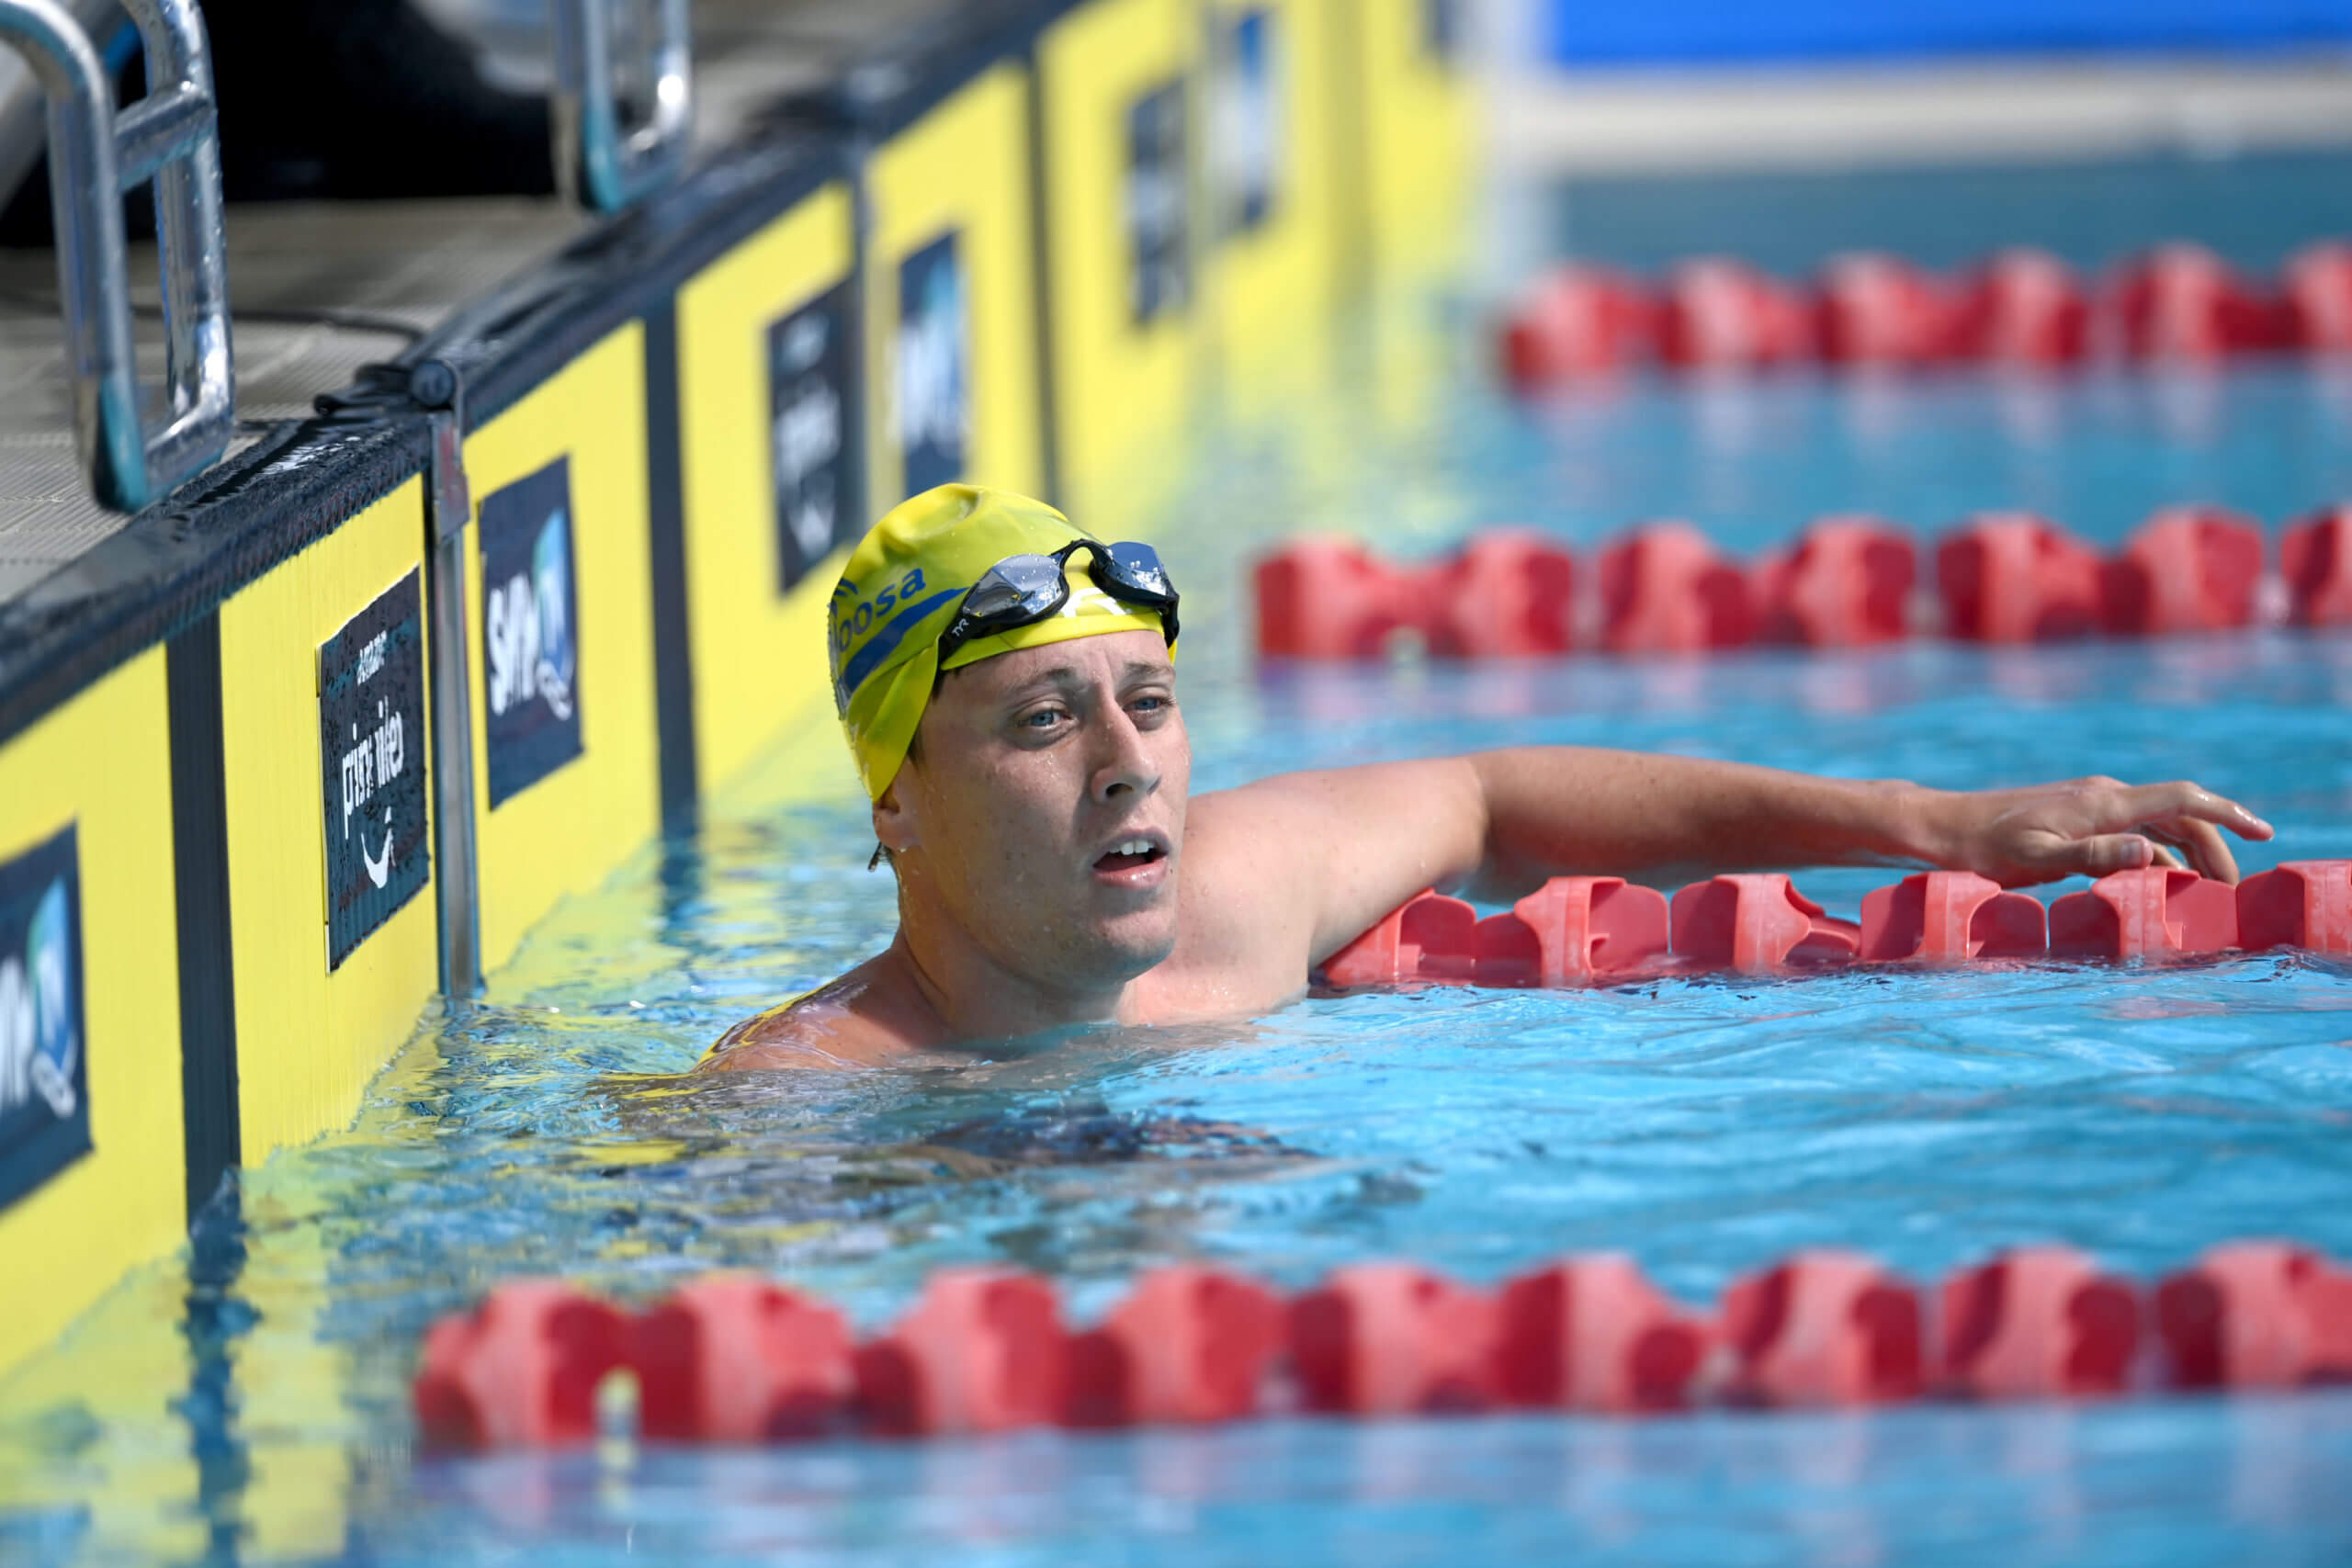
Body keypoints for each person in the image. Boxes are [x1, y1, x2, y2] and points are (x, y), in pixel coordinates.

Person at [705, 484, 2273, 1071]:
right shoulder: (818, 1102)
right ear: (894, 801)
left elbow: (1487, 792)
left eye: (1153, 702)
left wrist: (1936, 827)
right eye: (1048, 723)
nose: (1134, 769)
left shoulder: (1233, 914)